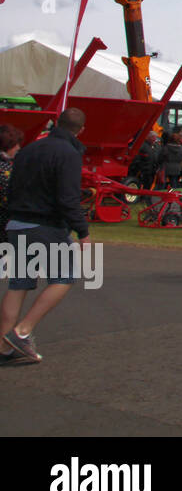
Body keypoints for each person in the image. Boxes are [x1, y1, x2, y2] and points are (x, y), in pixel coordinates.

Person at [0, 109, 88, 365]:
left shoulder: (27, 150)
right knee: (64, 277)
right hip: (46, 224)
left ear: (56, 124)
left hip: (17, 223)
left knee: (19, 284)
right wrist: (82, 230)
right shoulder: (69, 154)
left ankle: (3, 345)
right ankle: (23, 331)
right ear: (80, 130)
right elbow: (68, 198)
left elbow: (12, 188)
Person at [0, 124, 24, 232]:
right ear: (8, 144)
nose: (18, 147)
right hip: (4, 223)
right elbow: (10, 200)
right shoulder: (5, 170)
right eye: (16, 144)